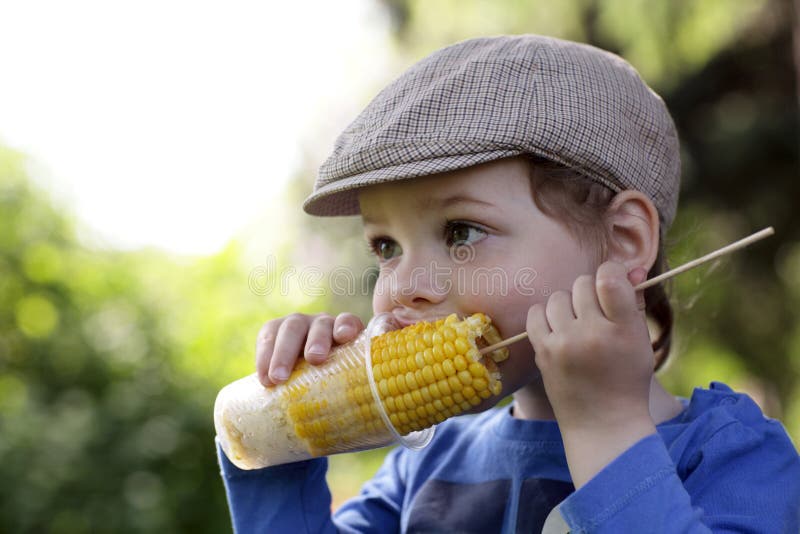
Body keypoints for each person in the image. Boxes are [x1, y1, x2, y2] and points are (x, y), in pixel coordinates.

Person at [216, 35, 800, 533]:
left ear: (623, 241)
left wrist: (607, 429)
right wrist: (277, 451)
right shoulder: (424, 470)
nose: (402, 288)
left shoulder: (734, 457)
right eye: (386, 247)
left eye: (461, 231)